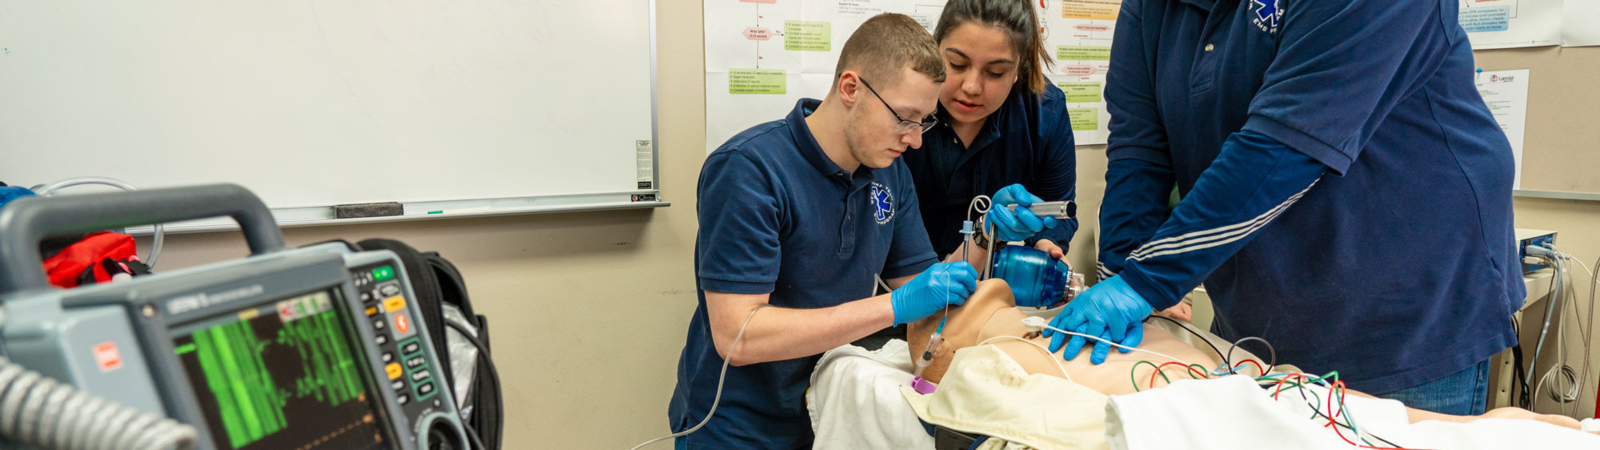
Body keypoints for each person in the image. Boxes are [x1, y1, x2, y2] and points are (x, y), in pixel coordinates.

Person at [1046, 0, 1523, 415]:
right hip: (1264, 297)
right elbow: (1139, 149)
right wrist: (1123, 271)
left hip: (1403, 304)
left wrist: (1146, 282)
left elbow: (1286, 144)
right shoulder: (1154, 7)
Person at [668, 13, 982, 449]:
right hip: (740, 428)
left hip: (831, 411)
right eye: (905, 118)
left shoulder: (888, 171)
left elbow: (924, 290)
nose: (915, 140)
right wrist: (893, 307)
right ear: (851, 88)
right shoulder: (749, 170)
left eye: (925, 121)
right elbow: (738, 336)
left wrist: (984, 236)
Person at [908, 279, 1592, 435]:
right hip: (1223, 396)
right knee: (1388, 422)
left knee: (1337, 407)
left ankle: (1497, 428)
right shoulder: (1003, 356)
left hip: (1244, 382)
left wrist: (1146, 281)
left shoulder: (1035, 336)